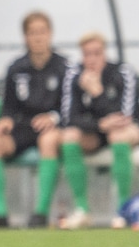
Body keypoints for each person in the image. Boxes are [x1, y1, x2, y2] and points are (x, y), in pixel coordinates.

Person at [0, 11, 68, 228]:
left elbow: (70, 106)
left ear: (50, 34)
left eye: (42, 32)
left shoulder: (64, 67)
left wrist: (53, 117)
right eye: (32, 33)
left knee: (48, 141)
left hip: (52, 128)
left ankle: (41, 213)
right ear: (25, 37)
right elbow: (9, 106)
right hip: (23, 128)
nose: (38, 37)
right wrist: (5, 119)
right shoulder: (16, 68)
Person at [58, 31, 139, 229]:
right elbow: (69, 118)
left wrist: (98, 93)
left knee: (118, 134)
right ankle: (82, 209)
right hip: (95, 133)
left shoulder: (122, 72)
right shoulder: (74, 76)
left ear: (105, 53)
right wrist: (98, 125)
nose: (92, 59)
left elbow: (124, 117)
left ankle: (122, 210)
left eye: (97, 53)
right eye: (87, 54)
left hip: (127, 131)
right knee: (69, 136)